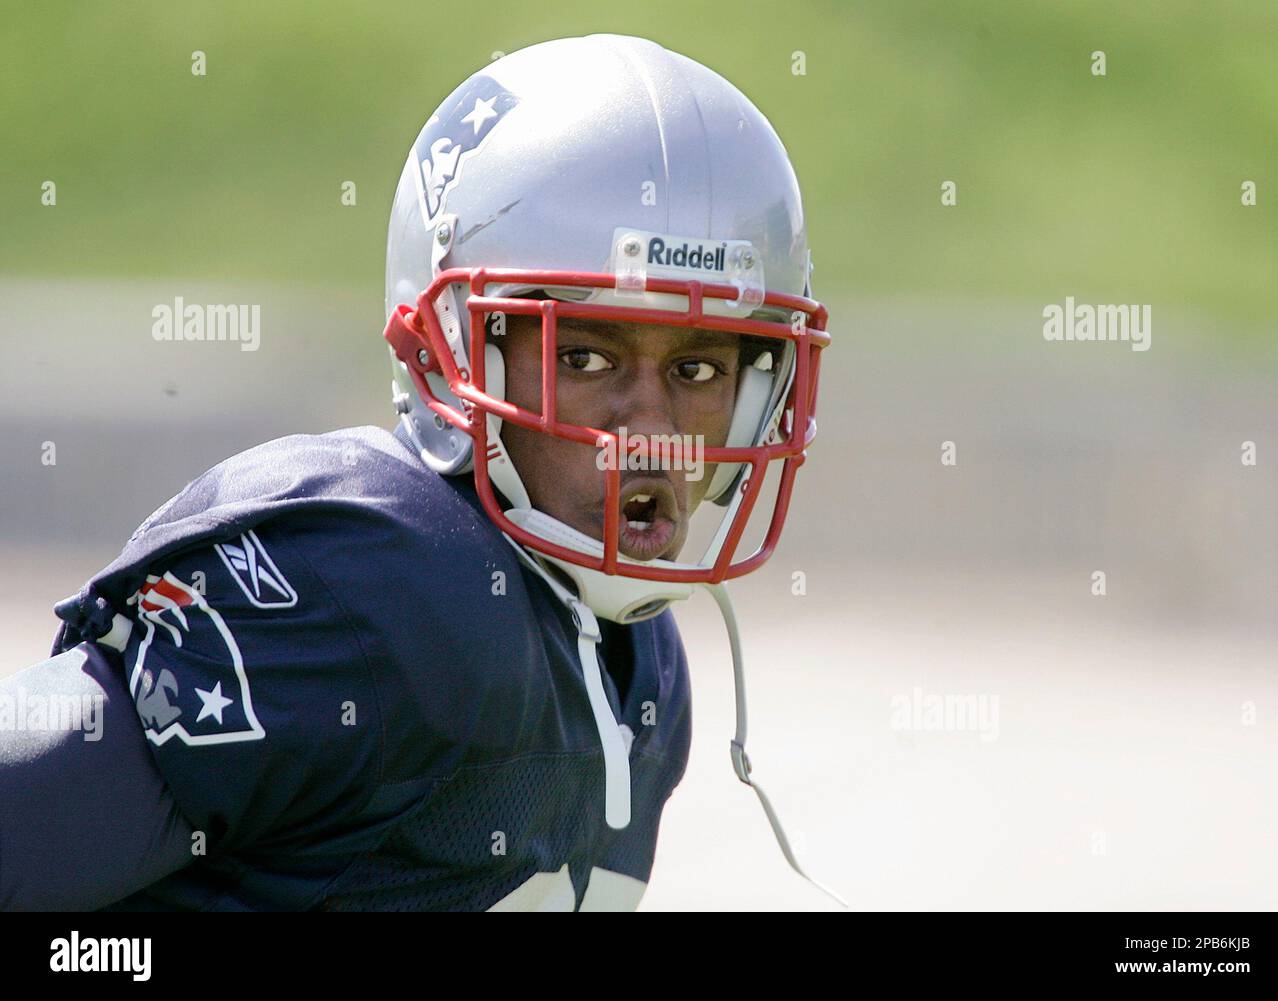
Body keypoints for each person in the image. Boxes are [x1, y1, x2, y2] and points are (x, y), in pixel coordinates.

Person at [0, 33, 832, 911]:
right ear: (452, 358)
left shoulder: (643, 664)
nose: (653, 429)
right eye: (585, 356)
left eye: (698, 371)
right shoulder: (376, 584)